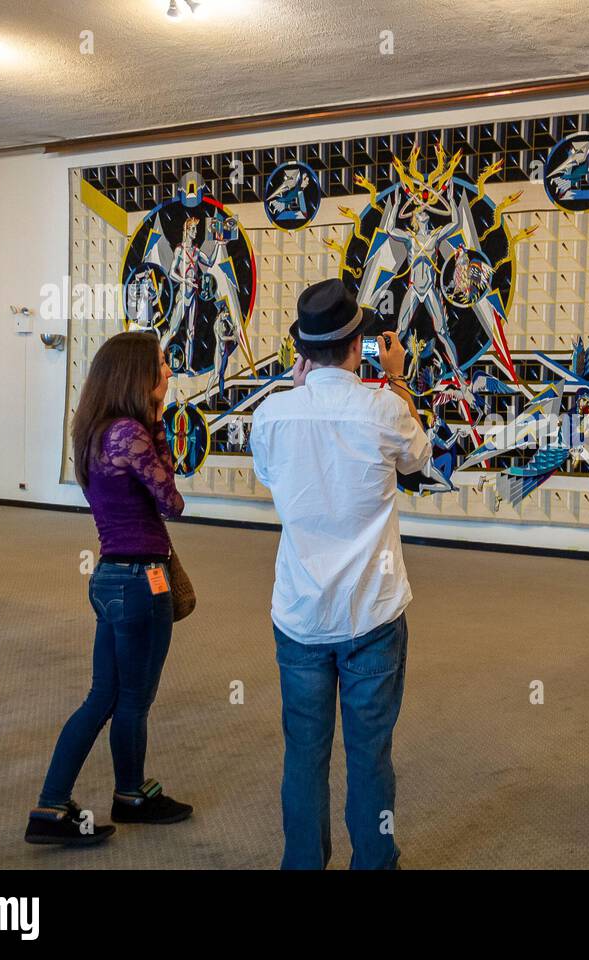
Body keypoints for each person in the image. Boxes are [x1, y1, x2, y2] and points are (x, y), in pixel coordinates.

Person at [251, 280, 431, 870]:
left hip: (300, 614)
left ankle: (303, 862)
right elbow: (418, 458)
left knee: (303, 754)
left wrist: (298, 395)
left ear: (302, 352)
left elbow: (274, 477)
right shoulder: (384, 409)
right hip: (371, 612)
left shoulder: (271, 416)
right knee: (370, 754)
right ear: (359, 347)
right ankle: (374, 860)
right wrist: (398, 380)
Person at [26, 331, 193, 847]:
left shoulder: (98, 430)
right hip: (142, 582)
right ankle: (103, 799)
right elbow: (171, 502)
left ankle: (87, 799)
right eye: (161, 364)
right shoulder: (131, 433)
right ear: (136, 375)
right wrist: (159, 421)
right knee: (130, 700)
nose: (168, 371)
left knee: (104, 695)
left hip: (111, 579)